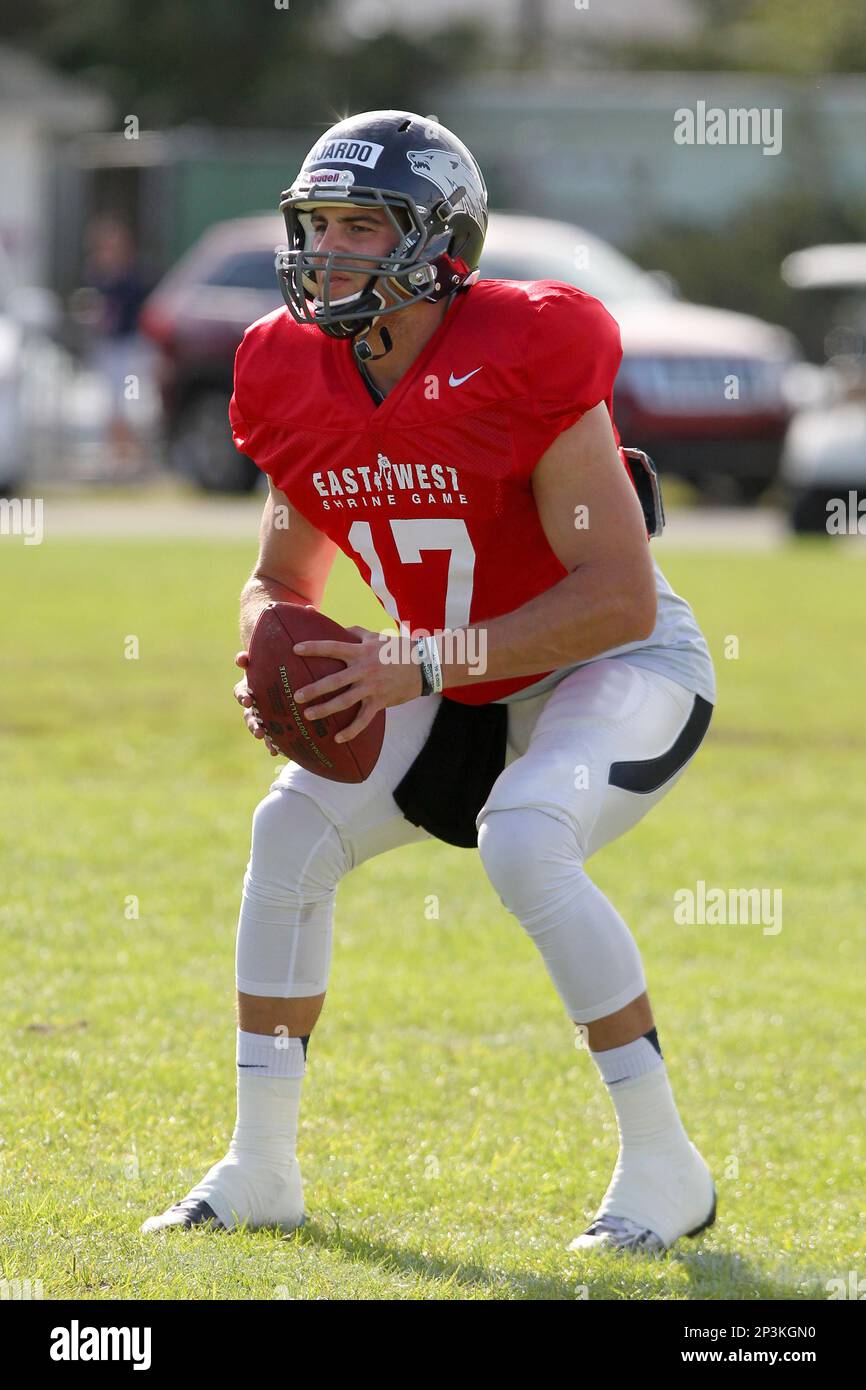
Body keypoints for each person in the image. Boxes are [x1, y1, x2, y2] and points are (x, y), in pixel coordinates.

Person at [142, 110, 717, 1254]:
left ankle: (665, 1167)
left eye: (366, 225)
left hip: (611, 665)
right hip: (443, 677)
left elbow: (618, 595)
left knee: (523, 836)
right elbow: (277, 575)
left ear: (442, 242)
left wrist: (407, 658)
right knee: (289, 832)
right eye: (319, 225)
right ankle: (259, 1165)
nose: (332, 251)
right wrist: (275, 642)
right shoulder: (288, 369)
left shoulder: (527, 349)